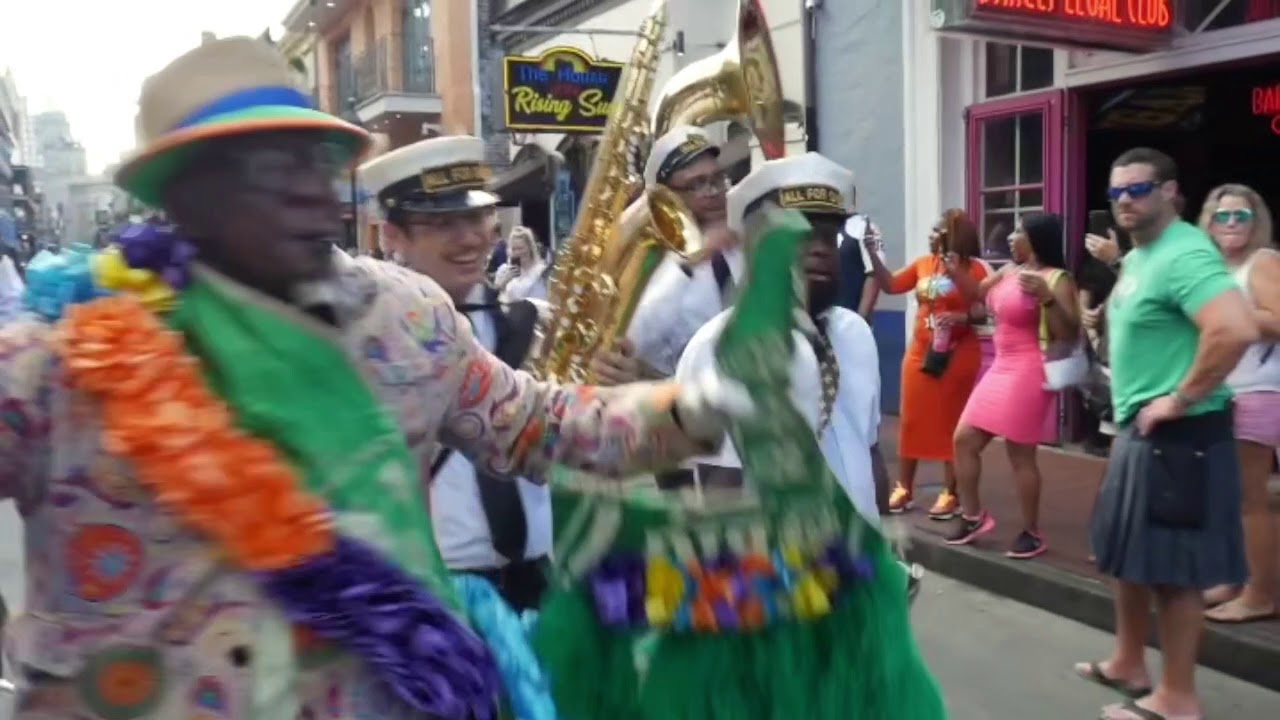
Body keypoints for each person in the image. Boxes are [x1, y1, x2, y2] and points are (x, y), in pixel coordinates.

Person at [0, 38, 748, 720]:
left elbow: (539, 423)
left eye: (316, 162)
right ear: (189, 196)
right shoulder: (69, 363)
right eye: (268, 169)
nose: (309, 191)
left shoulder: (406, 318)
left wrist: (698, 408)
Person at [1078, 148, 1257, 720]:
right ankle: (1130, 662)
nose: (1126, 201)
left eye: (1139, 189)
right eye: (1117, 193)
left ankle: (1178, 698)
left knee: (1175, 572)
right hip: (1139, 427)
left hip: (1183, 435)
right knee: (1127, 555)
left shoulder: (1183, 252)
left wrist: (1180, 399)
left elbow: (1234, 328)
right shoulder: (1141, 256)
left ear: (1171, 192)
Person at [360, 137, 554, 611]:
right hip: (436, 592)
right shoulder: (364, 343)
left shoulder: (541, 320)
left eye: (476, 217)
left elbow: (565, 439)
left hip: (541, 579)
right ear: (392, 237)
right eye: (442, 223)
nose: (469, 238)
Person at [674, 152, 881, 521]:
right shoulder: (718, 348)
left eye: (828, 236)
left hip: (860, 564)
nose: (818, 247)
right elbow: (720, 488)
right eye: (797, 234)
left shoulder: (856, 334)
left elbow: (868, 449)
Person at [946, 214, 1079, 557]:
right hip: (1000, 365)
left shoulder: (1057, 279)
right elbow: (978, 294)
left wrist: (1048, 299)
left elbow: (1070, 332)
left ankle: (1031, 532)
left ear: (1036, 238)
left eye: (1019, 231)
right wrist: (956, 272)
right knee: (963, 440)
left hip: (1030, 368)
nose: (1011, 237)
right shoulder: (1010, 270)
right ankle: (973, 516)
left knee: (1020, 454)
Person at [865, 209, 988, 519]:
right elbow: (892, 285)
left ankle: (951, 492)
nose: (931, 236)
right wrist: (872, 255)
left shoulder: (975, 269)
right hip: (921, 352)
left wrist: (959, 315)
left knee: (951, 424)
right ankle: (904, 487)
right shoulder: (923, 264)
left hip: (958, 354)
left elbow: (982, 311)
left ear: (954, 235)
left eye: (937, 231)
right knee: (912, 420)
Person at [1197, 183, 1280, 624]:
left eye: (1240, 216)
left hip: (1258, 389)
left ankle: (1261, 594)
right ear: (1208, 223)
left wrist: (1230, 318)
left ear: (1256, 221)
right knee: (1227, 496)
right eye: (1222, 216)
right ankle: (1234, 578)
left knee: (1251, 499)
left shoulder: (1262, 262)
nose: (1230, 224)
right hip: (1222, 391)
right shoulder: (1214, 268)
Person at [597, 126, 739, 383]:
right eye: (696, 184)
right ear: (668, 196)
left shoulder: (744, 243)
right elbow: (635, 342)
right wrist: (691, 261)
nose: (714, 191)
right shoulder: (648, 261)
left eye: (718, 179)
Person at [494, 226, 549, 303]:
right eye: (513, 249)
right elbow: (494, 300)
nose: (517, 253)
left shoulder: (541, 272)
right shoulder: (503, 271)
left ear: (530, 248)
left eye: (520, 248)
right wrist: (502, 284)